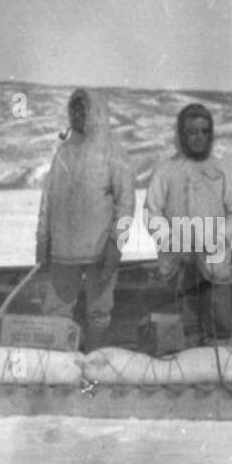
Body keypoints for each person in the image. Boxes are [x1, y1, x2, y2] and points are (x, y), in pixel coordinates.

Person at [35, 87, 134, 352]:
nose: (78, 114)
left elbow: (126, 204)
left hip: (99, 251)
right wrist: (42, 240)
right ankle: (59, 366)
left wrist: (116, 243)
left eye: (84, 109)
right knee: (56, 310)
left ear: (96, 112)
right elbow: (48, 201)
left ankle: (95, 363)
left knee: (99, 311)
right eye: (74, 109)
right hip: (62, 253)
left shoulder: (113, 151)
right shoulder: (63, 153)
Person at [144, 103, 232, 346]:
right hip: (179, 266)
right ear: (182, 134)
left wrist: (217, 240)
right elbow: (152, 212)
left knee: (218, 327)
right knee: (184, 330)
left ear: (210, 134)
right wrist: (172, 243)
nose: (198, 137)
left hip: (213, 263)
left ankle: (219, 377)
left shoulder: (223, 169)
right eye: (192, 131)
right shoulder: (166, 171)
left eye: (203, 131)